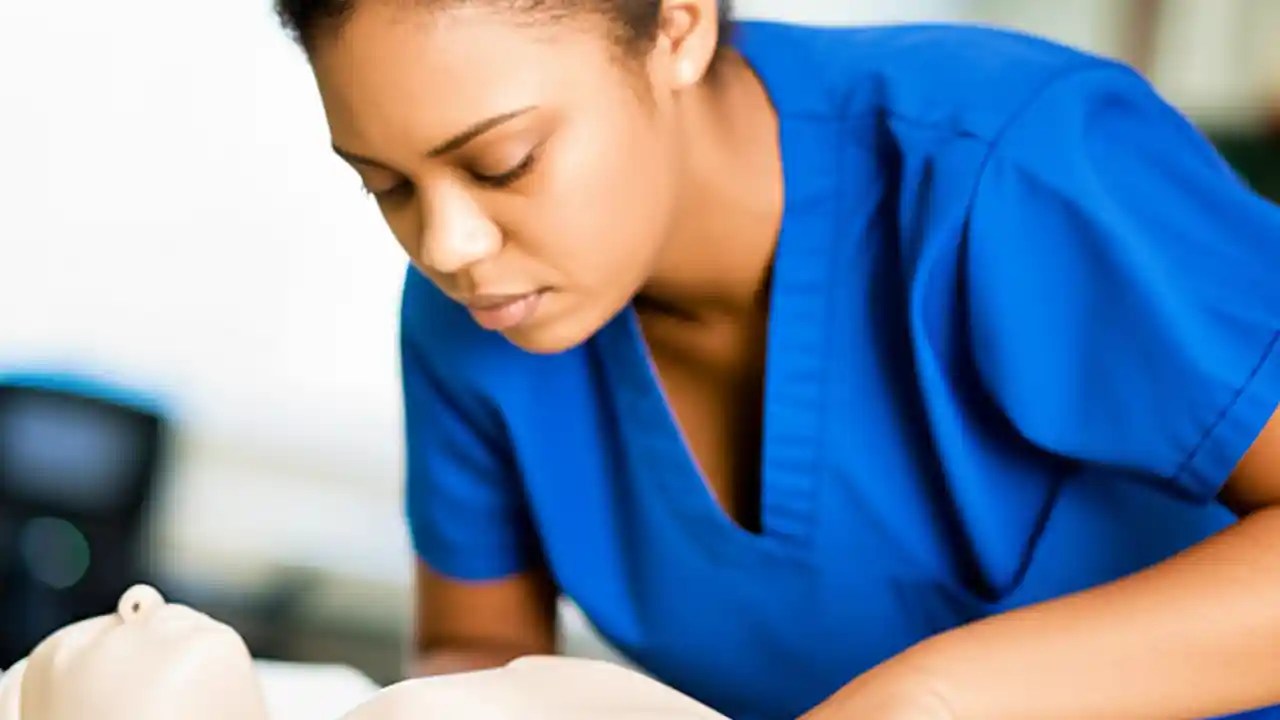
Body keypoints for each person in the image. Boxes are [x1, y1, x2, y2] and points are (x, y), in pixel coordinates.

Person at [273, 0, 1280, 717]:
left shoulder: (1013, 164)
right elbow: (476, 662)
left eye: (501, 163)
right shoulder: (474, 319)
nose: (445, 245)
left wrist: (931, 700)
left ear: (676, 25)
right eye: (385, 186)